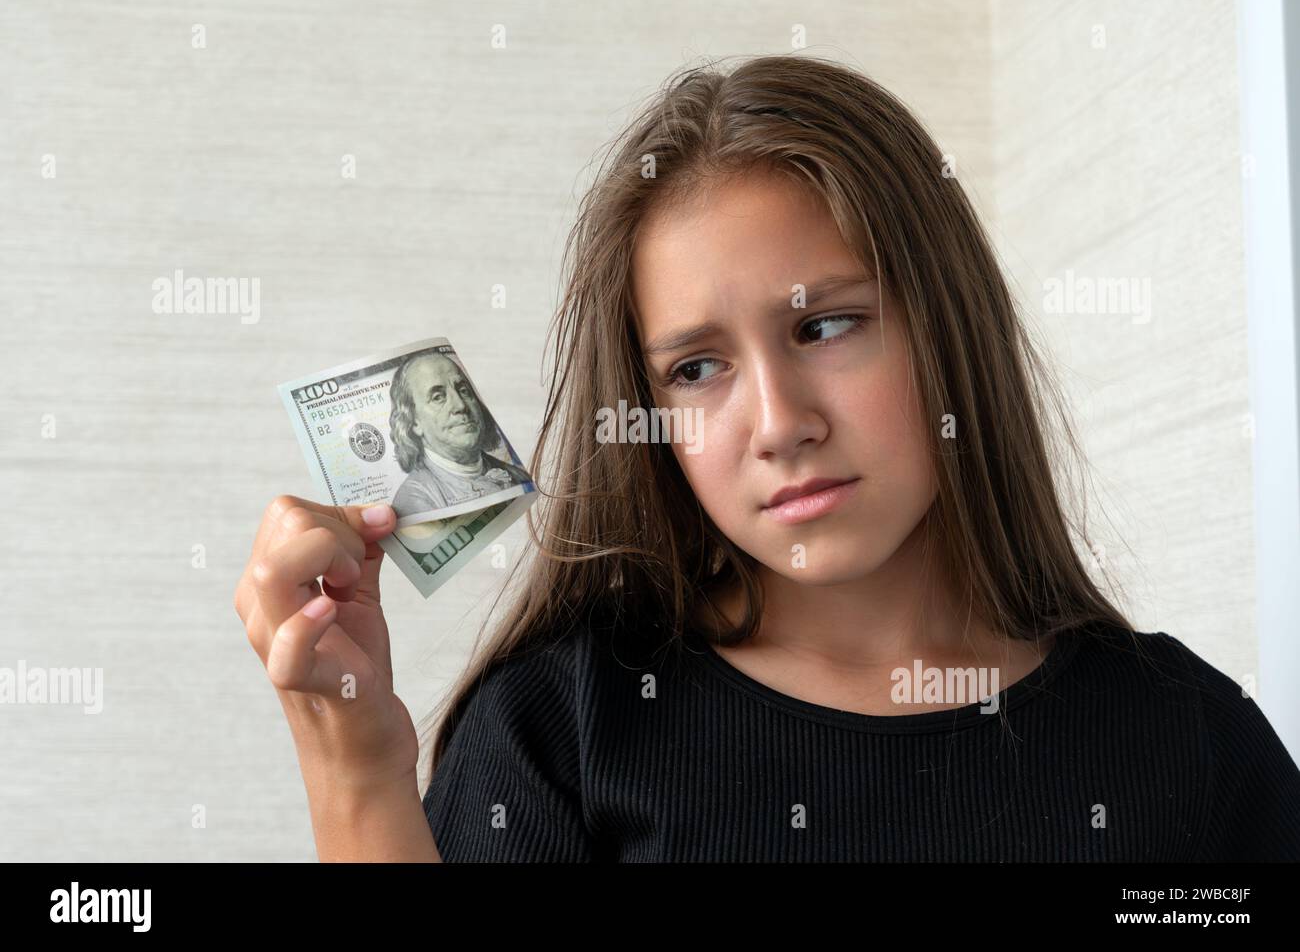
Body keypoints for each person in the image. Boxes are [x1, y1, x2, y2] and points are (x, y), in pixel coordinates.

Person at [233, 54, 1300, 861]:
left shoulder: (1192, 740)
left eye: (824, 327)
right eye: (696, 369)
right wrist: (354, 767)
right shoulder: (559, 731)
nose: (778, 422)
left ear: (950, 327)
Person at [387, 351, 531, 520]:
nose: (460, 405)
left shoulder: (518, 476)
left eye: (463, 390)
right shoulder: (415, 501)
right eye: (438, 397)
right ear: (414, 422)